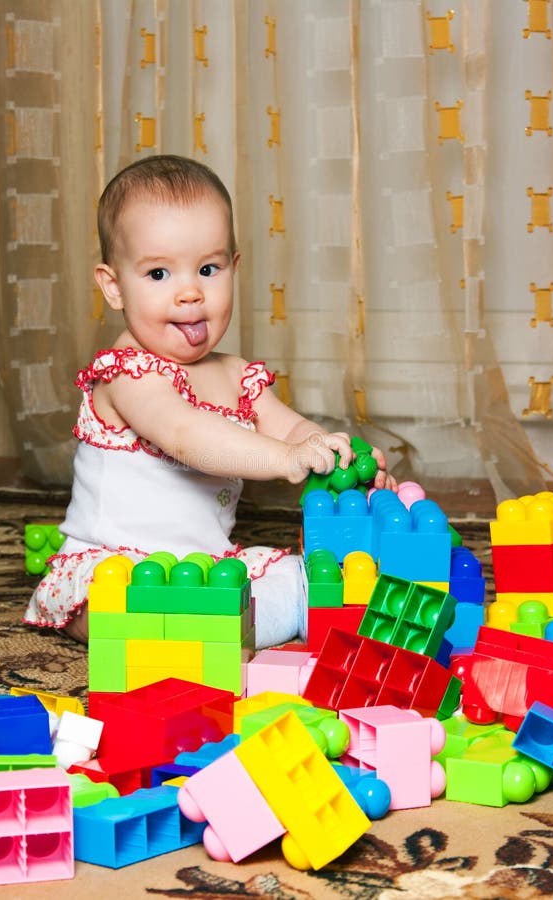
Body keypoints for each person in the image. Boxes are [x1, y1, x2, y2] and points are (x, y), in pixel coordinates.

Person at [24, 155, 396, 648]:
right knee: (114, 605)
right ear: (113, 287)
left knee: (295, 574)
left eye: (208, 268)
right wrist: (285, 460)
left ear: (233, 269)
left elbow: (290, 428)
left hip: (206, 569)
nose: (189, 293)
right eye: (158, 274)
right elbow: (186, 435)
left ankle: (253, 619)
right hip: (116, 562)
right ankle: (186, 632)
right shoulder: (127, 372)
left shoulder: (236, 374)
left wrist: (331, 452)